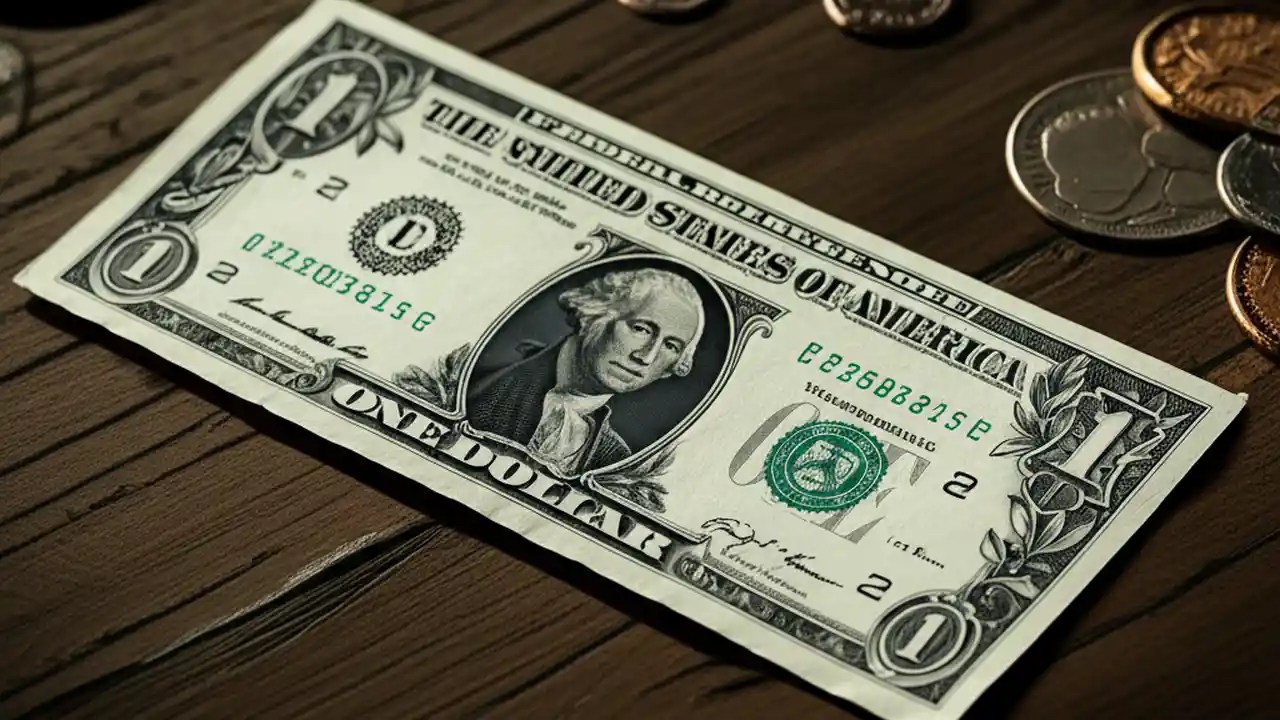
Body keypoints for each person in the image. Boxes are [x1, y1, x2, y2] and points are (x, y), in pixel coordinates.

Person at [466, 267, 705, 476]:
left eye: (671, 346)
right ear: (596, 316)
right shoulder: (476, 385)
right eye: (640, 329)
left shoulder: (614, 457)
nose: (646, 357)